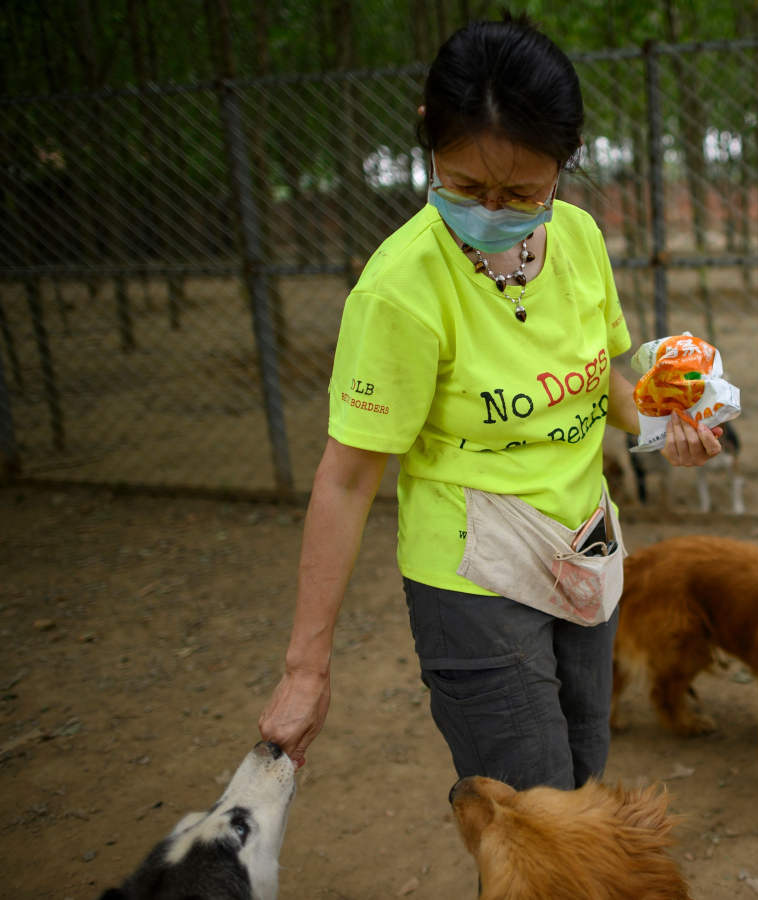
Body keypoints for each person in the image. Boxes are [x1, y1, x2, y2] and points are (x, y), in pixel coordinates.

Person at [257, 15, 722, 793]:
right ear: (427, 140)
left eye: (523, 192)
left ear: (568, 163)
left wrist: (663, 427)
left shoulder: (575, 237)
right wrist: (306, 668)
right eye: (468, 187)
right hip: (474, 578)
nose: (495, 210)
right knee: (533, 814)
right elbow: (344, 478)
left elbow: (603, 376)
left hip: (585, 548)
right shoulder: (400, 290)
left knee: (583, 774)